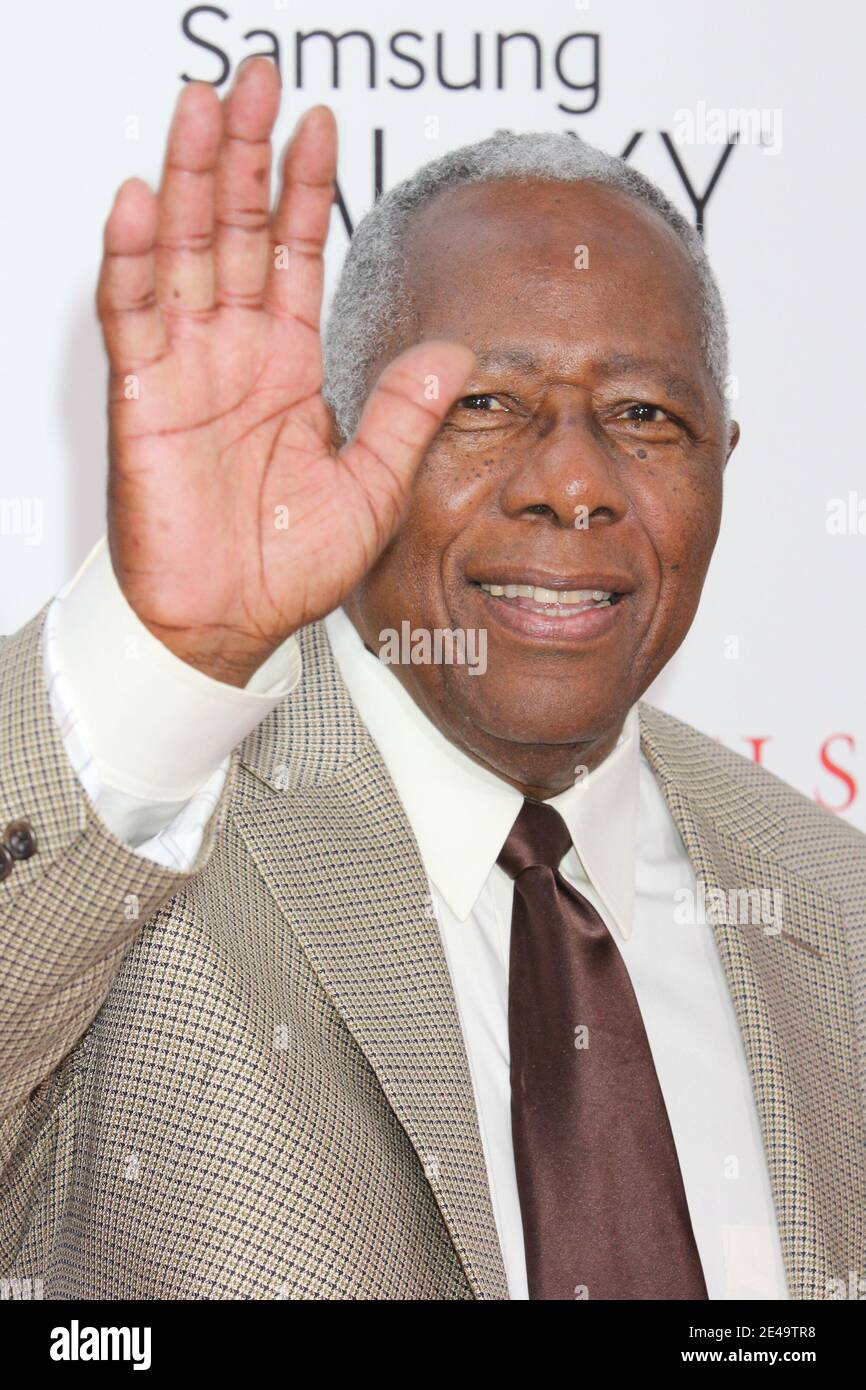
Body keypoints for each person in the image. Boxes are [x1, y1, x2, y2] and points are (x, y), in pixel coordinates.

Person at [1, 57, 863, 1301]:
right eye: (483, 404)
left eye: (642, 417)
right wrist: (162, 656)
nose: (571, 482)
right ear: (339, 440)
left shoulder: (829, 905)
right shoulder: (134, 864)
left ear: (721, 463)